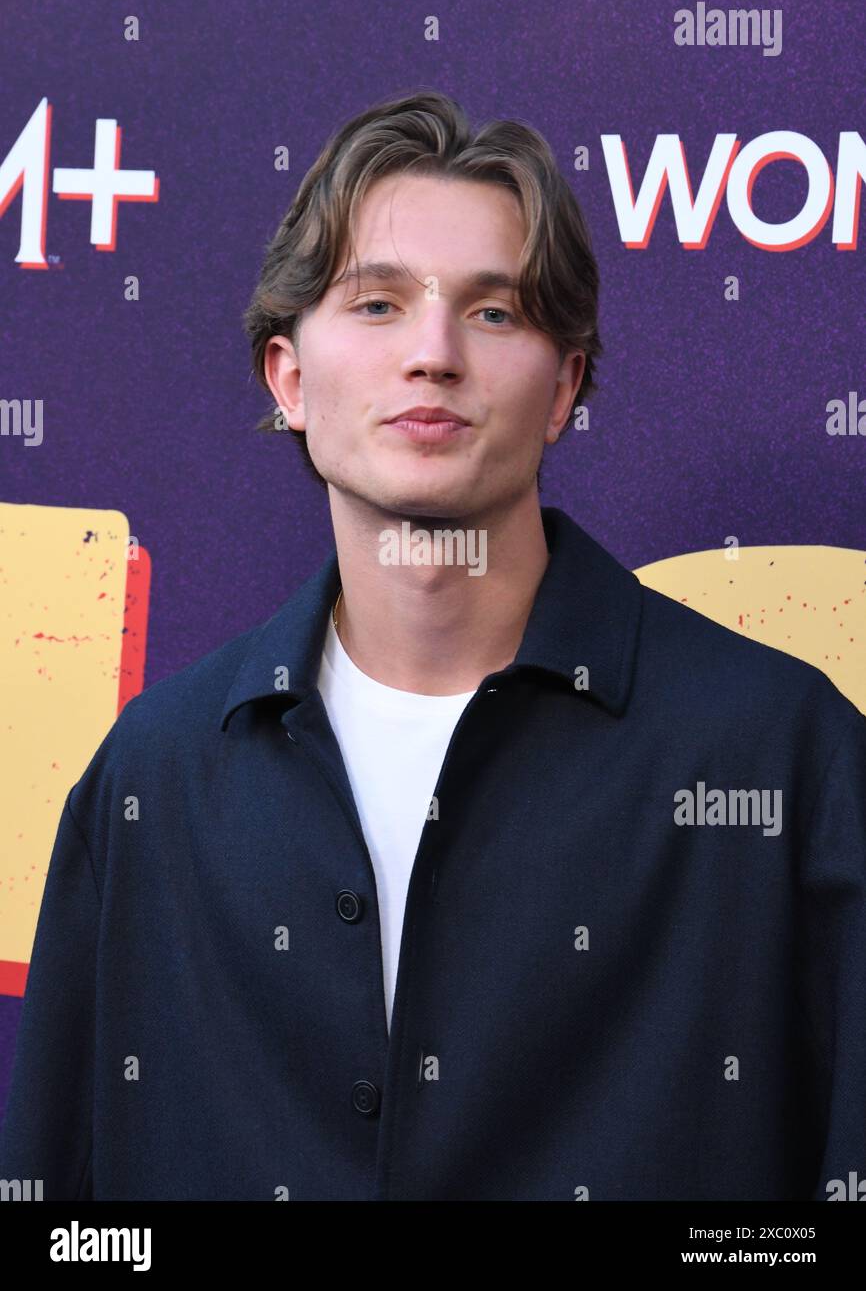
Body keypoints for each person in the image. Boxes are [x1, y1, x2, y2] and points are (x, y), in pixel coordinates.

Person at [1, 90, 864, 1202]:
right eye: (375, 304)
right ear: (289, 379)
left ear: (561, 390)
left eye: (494, 312)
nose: (433, 353)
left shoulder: (784, 758)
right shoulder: (153, 779)